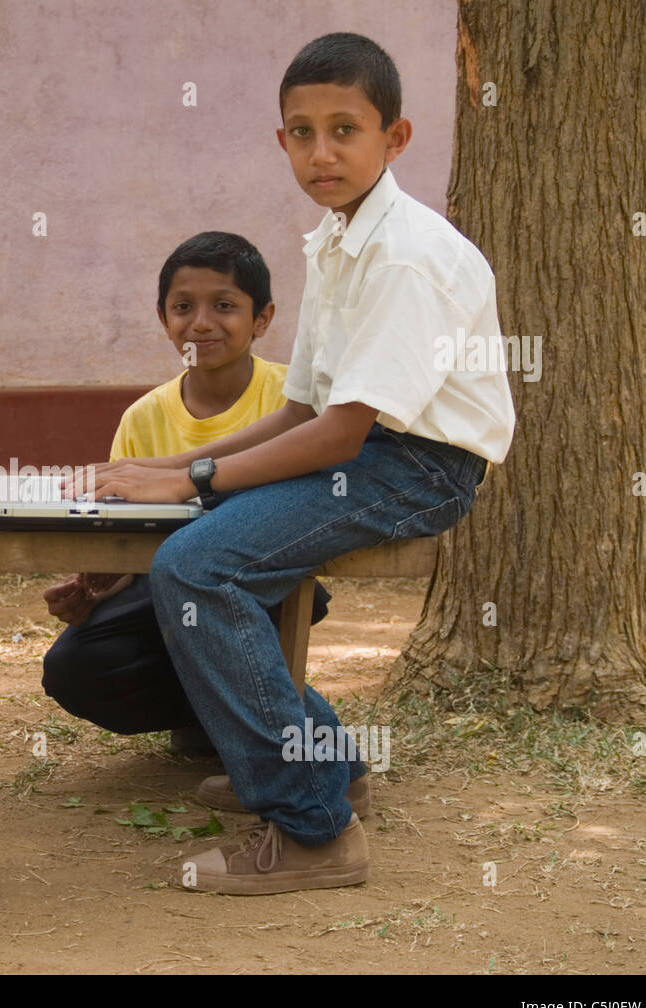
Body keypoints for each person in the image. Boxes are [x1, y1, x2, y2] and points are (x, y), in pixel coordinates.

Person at [69, 32, 515, 895]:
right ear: (282, 142)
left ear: (396, 138)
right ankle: (330, 764)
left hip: (422, 464)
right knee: (197, 542)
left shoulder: (405, 254)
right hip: (370, 444)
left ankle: (315, 831)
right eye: (301, 132)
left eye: (345, 129)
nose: (322, 152)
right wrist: (177, 464)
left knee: (197, 567)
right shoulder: (337, 238)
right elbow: (301, 408)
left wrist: (189, 481)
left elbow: (341, 434)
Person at [41, 232, 341, 768]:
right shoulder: (143, 417)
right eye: (183, 307)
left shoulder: (291, 401)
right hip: (162, 588)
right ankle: (213, 714)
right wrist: (99, 585)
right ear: (163, 319)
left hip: (263, 584)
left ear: (262, 319)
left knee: (240, 602)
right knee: (75, 668)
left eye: (224, 306)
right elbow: (129, 542)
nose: (201, 323)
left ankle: (290, 739)